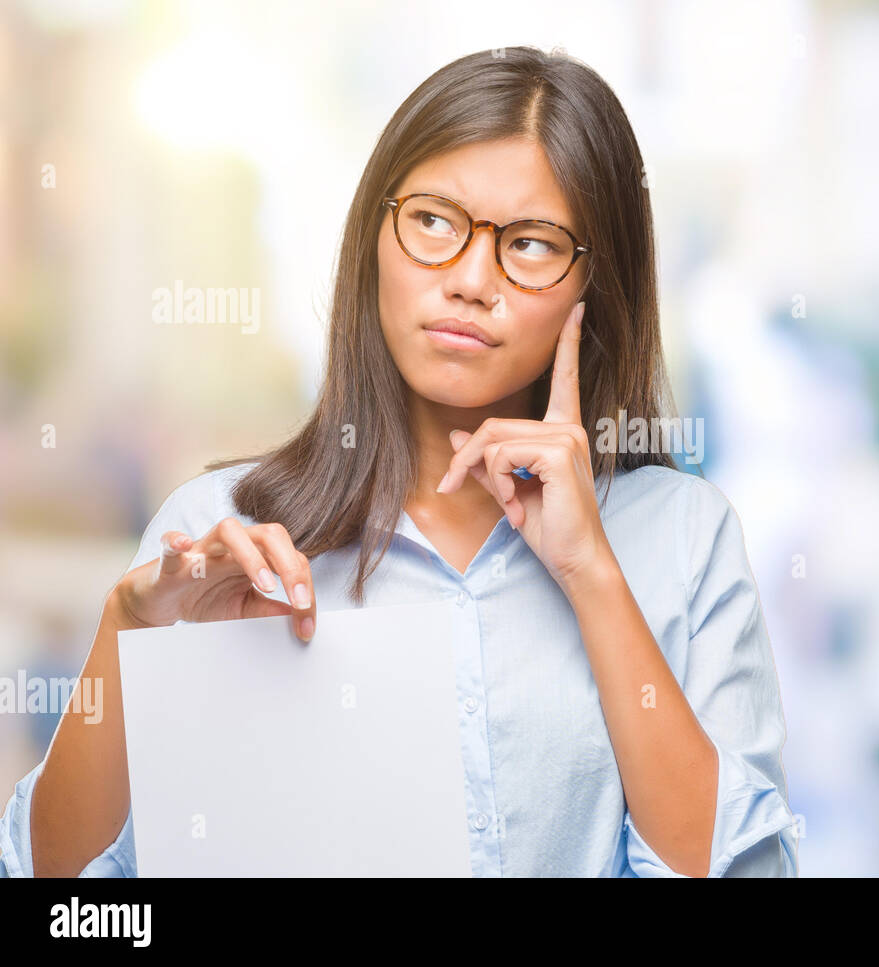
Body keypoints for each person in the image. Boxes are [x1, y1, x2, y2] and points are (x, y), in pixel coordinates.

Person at [0, 46, 797, 878]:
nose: (470, 278)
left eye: (530, 244)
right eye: (433, 221)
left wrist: (590, 571)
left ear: (595, 291)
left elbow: (744, 871)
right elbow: (66, 899)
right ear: (373, 236)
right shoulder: (217, 535)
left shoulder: (685, 539)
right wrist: (131, 629)